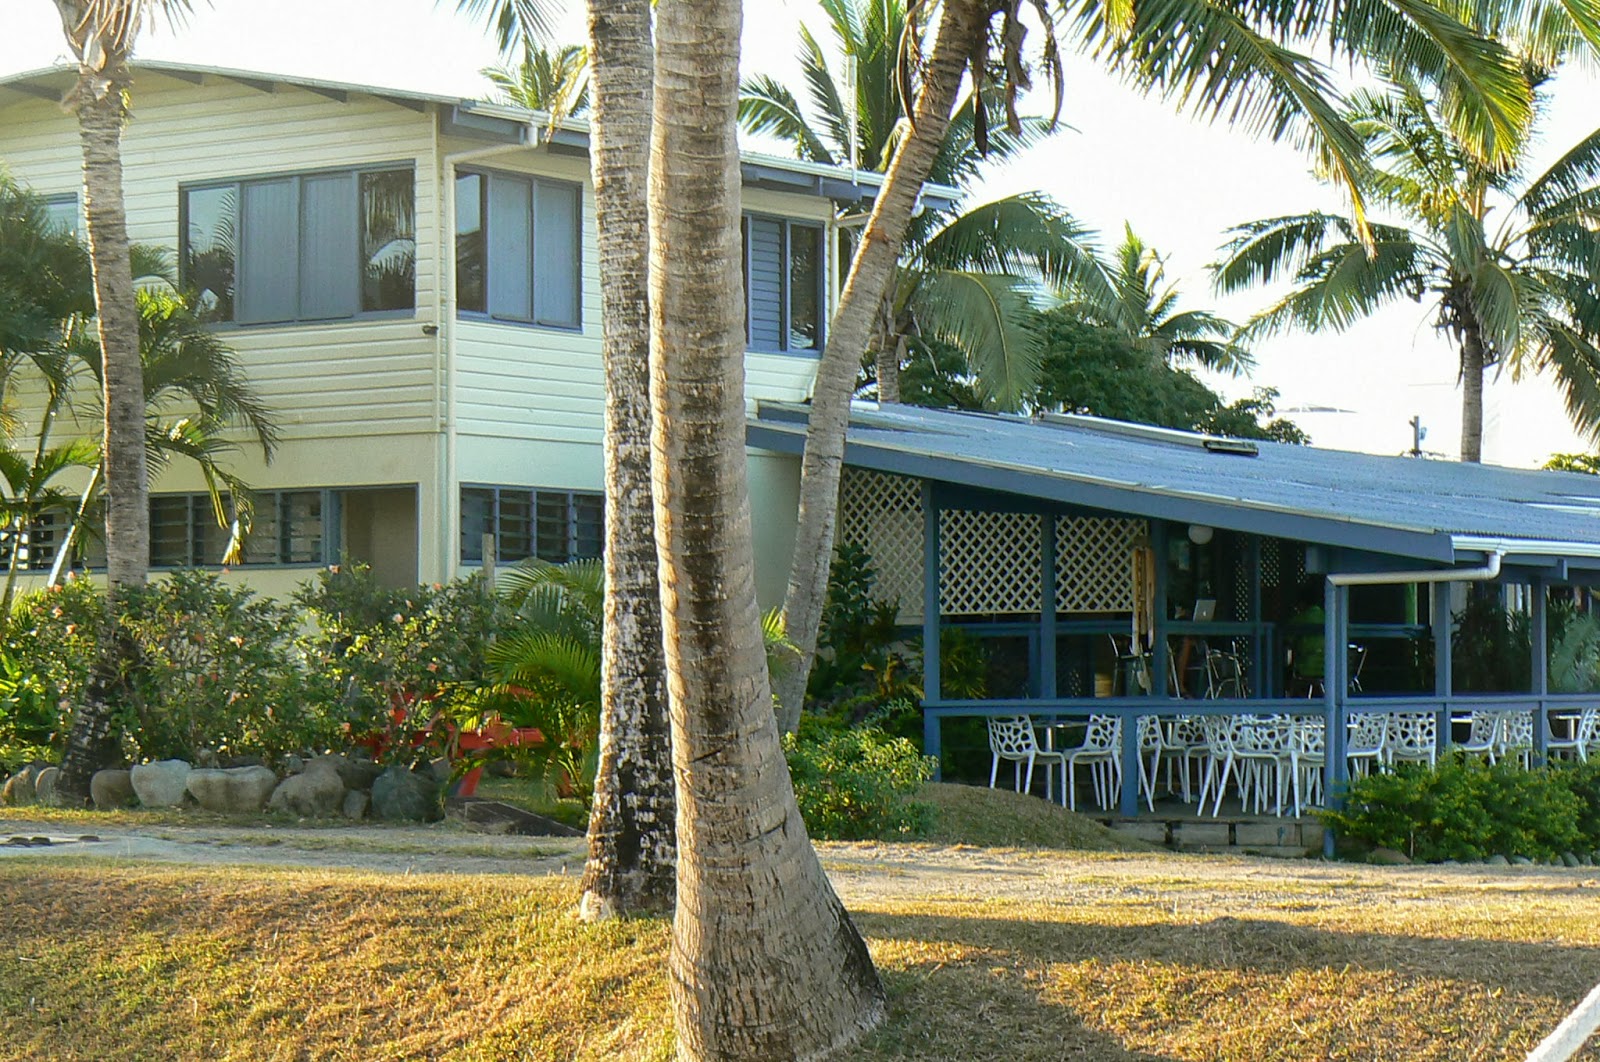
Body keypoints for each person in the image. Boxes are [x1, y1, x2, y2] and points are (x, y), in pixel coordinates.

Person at [1289, 588, 1325, 695]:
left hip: (1306, 667)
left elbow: (1287, 638)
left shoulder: (1301, 618)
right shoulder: (1327, 617)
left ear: (1302, 603)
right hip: (1327, 666)